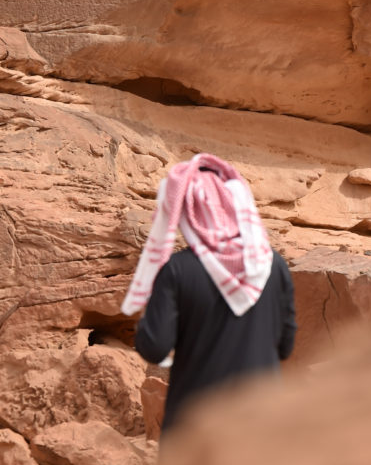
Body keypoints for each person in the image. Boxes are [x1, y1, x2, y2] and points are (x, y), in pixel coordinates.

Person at [124, 152, 296, 433]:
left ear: (188, 213)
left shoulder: (178, 270)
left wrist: (146, 318)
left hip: (196, 427)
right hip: (264, 426)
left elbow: (155, 347)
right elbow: (285, 346)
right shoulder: (272, 265)